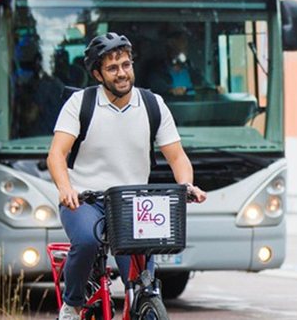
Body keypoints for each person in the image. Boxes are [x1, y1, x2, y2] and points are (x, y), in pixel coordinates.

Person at [46, 32, 207, 320]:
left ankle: (143, 305)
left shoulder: (152, 104)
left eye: (126, 64)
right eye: (112, 68)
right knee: (86, 241)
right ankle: (72, 304)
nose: (122, 73)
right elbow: (56, 154)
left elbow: (177, 156)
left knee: (142, 279)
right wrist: (65, 188)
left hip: (133, 204)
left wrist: (187, 184)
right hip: (85, 199)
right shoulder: (79, 104)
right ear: (97, 73)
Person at [146, 30, 224, 98]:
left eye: (183, 47)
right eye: (177, 47)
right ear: (168, 49)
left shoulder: (190, 70)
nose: (181, 50)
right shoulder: (160, 70)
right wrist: (171, 91)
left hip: (192, 108)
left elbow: (203, 84)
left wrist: (215, 89)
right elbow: (155, 85)